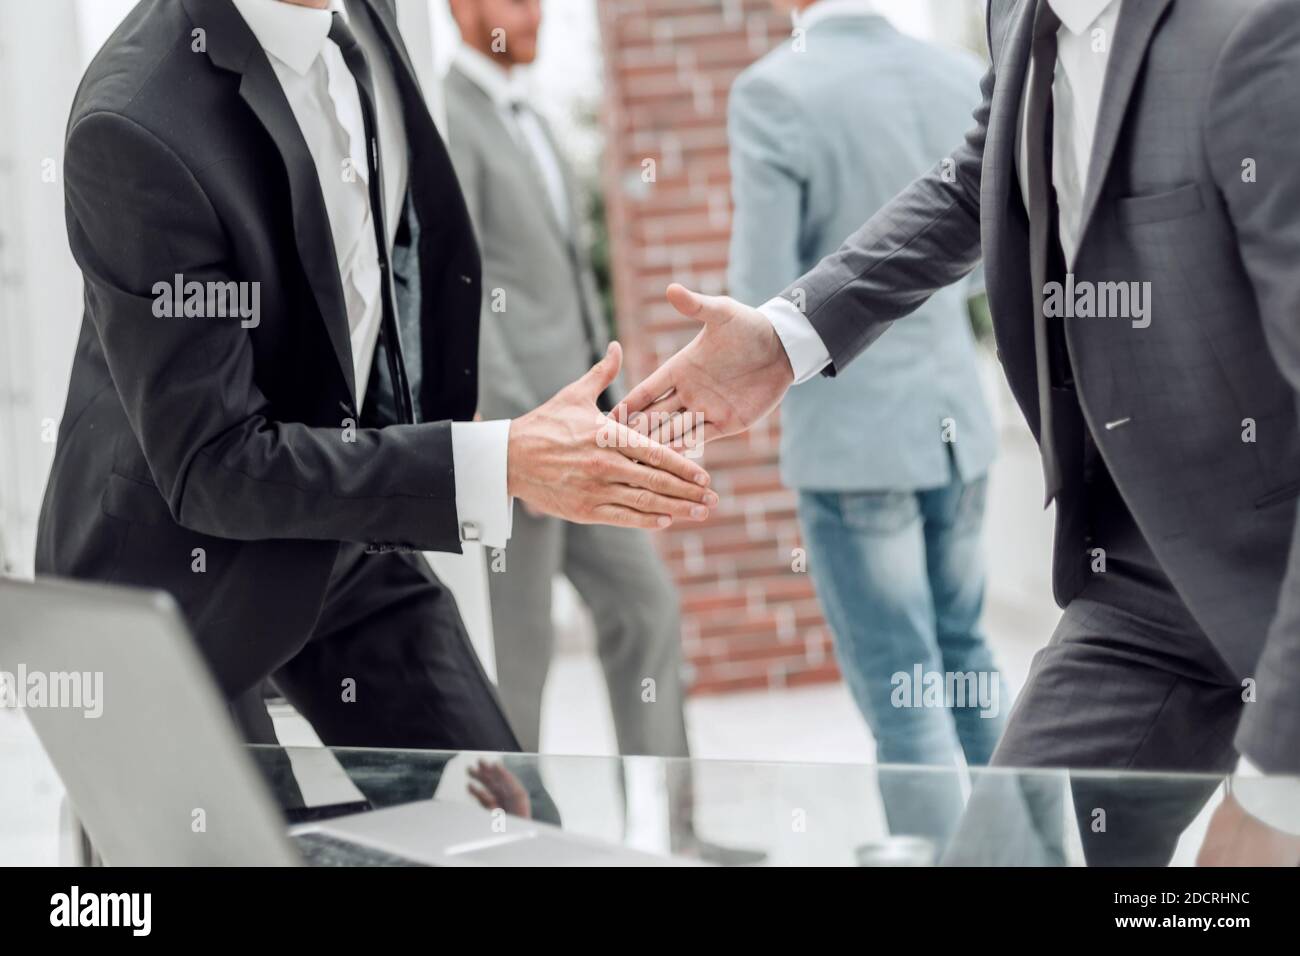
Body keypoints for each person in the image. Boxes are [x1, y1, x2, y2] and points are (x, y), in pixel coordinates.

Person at [622, 0, 1300, 864]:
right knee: (995, 853)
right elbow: (974, 183)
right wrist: (782, 340)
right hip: (1142, 578)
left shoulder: (1258, 24)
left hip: (1284, 564)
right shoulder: (1016, 14)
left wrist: (1280, 791)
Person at [38, 0, 715, 760]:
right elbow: (214, 465)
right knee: (240, 849)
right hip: (175, 586)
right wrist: (498, 461)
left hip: (347, 538)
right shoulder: (134, 126)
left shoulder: (364, 11)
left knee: (505, 824)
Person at [728, 0, 1006, 779]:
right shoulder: (958, 73)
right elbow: (985, 256)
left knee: (903, 703)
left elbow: (760, 293)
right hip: (957, 425)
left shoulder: (773, 90)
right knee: (970, 658)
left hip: (853, 441)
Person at [443, 0, 692, 762]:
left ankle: (668, 828)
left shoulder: (538, 120)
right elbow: (461, 286)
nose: (536, 13)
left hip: (585, 428)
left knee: (646, 608)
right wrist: (522, 440)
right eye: (514, 1)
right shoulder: (450, 120)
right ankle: (513, 839)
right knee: (522, 657)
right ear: (462, 9)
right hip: (523, 442)